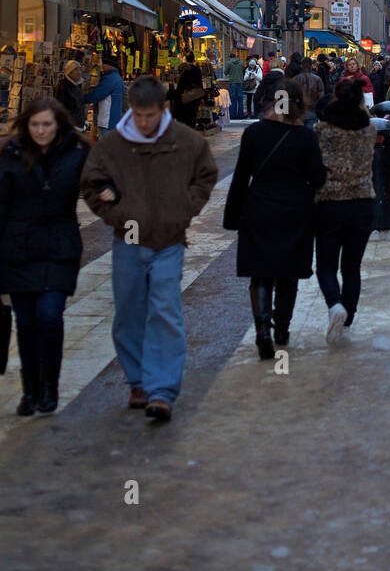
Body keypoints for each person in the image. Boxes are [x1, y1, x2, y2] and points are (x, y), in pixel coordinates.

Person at [80, 76, 218, 421]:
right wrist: (114, 213)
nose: (143, 123)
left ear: (164, 109)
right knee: (128, 311)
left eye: (150, 116)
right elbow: (91, 183)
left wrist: (185, 209)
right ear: (131, 110)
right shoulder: (112, 145)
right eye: (138, 115)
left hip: (169, 238)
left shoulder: (185, 141)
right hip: (127, 237)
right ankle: (138, 380)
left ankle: (162, 390)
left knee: (165, 311)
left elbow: (206, 175)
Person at [223, 78, 326, 358]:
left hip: (259, 207)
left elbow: (241, 177)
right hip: (295, 210)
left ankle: (262, 332)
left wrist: (232, 216)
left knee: (261, 272)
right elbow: (318, 178)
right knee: (288, 273)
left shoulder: (255, 134)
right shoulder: (306, 136)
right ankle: (282, 328)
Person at [0, 99, 90, 416]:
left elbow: (98, 183)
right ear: (26, 125)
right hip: (19, 251)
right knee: (25, 324)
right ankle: (30, 391)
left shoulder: (77, 153)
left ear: (59, 125)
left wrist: (114, 198)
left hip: (59, 248)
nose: (40, 131)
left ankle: (50, 387)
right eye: (35, 125)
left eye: (47, 125)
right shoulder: (11, 155)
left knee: (49, 317)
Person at [314, 77, 378, 343]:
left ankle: (334, 305)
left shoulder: (321, 130)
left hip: (330, 202)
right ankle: (348, 315)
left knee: (326, 266)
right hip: (362, 201)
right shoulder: (369, 129)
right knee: (352, 266)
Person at [86, 54, 125, 136]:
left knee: (105, 146)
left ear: (109, 65)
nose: (102, 66)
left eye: (104, 63)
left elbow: (96, 95)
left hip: (107, 121)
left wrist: (82, 98)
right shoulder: (117, 78)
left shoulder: (110, 79)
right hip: (113, 120)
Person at [172, 51, 204, 129]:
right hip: (194, 96)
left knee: (184, 118)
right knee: (192, 116)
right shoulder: (197, 69)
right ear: (193, 59)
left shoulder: (183, 69)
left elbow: (180, 87)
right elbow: (200, 83)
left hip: (184, 98)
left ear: (185, 59)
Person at [56, 60, 88, 131]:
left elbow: (80, 105)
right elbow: (61, 109)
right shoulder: (63, 87)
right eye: (76, 70)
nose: (79, 72)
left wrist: (84, 121)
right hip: (70, 128)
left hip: (79, 127)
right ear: (69, 72)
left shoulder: (77, 85)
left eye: (79, 69)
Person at [296, 57, 325, 127]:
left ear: (301, 66)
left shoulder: (296, 79)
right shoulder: (317, 79)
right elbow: (321, 97)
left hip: (299, 111)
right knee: (310, 134)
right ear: (311, 66)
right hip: (312, 110)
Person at [225, 51, 245, 121]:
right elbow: (242, 71)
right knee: (240, 99)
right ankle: (240, 114)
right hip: (240, 82)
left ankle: (232, 115)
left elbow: (225, 72)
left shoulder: (229, 63)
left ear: (230, 57)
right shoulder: (241, 63)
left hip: (232, 82)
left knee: (232, 99)